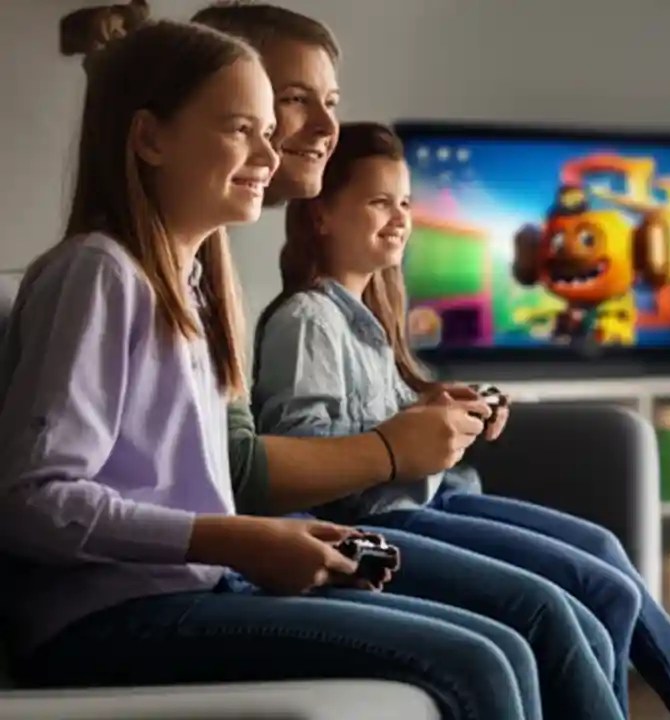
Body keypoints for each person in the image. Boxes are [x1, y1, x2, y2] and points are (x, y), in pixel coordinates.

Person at [0, 21, 536, 720]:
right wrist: (234, 538)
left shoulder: (192, 286)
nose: (267, 153)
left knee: (505, 646)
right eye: (239, 130)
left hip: (189, 588)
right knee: (477, 662)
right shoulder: (100, 273)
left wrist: (269, 541)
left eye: (266, 131)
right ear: (150, 138)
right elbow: (33, 501)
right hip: (106, 619)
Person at [185, 6, 625, 719]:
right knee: (541, 618)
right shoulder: (270, 308)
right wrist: (394, 449)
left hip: (333, 527)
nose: (322, 128)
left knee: (593, 577)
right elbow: (246, 470)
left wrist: (423, 419)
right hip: (340, 531)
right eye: (290, 101)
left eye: (329, 103)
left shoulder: (214, 275)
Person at [252, 121, 670, 720]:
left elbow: (374, 422)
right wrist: (402, 443)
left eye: (405, 202)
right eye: (379, 202)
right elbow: (299, 454)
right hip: (383, 520)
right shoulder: (307, 320)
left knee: (605, 561)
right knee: (582, 600)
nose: (401, 217)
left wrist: (436, 406)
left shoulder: (367, 314)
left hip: (429, 499)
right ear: (321, 216)